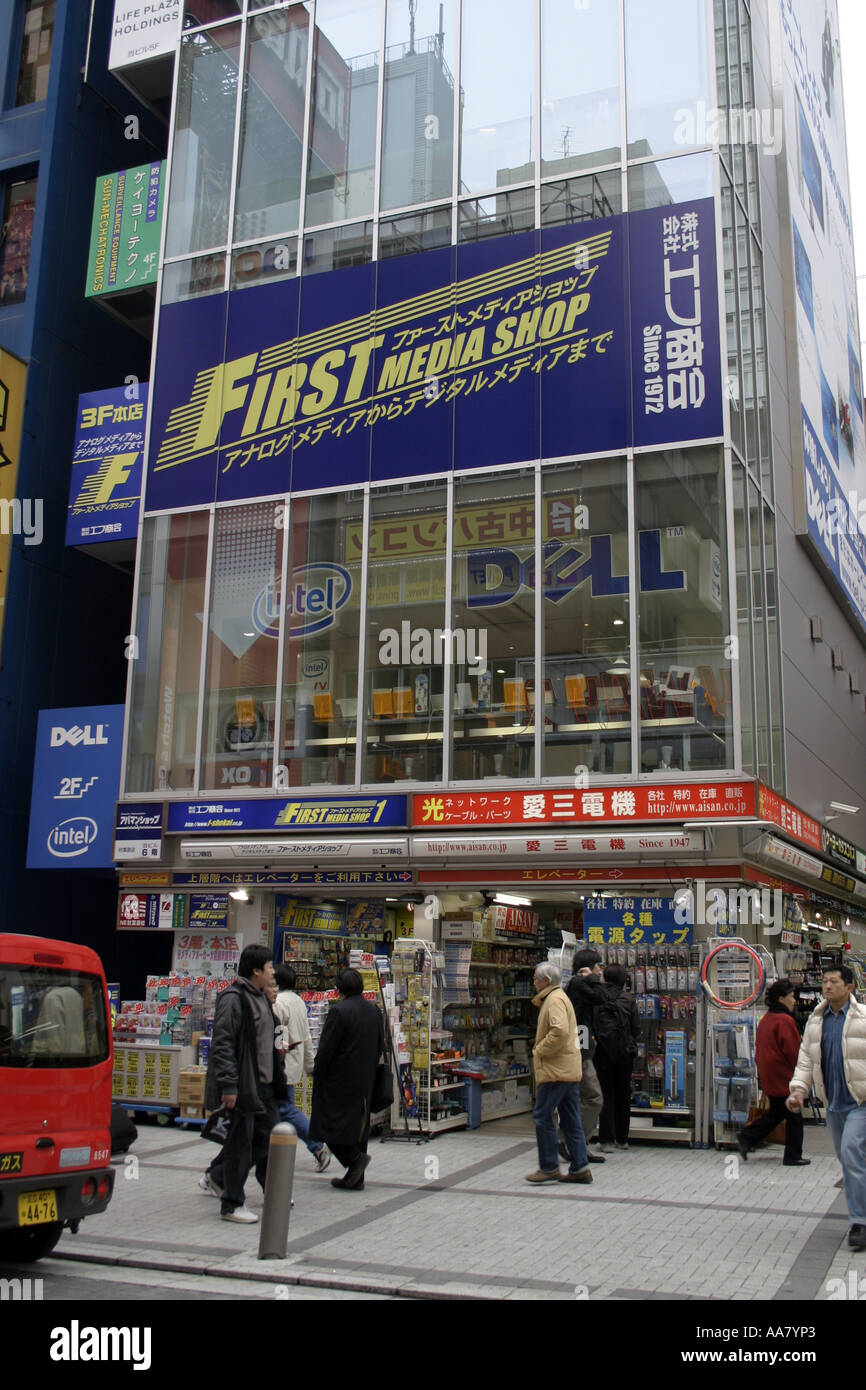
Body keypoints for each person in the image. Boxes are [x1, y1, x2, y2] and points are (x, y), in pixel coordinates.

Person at [200, 945, 287, 1224]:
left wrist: (278, 1050)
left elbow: (267, 1034)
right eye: (270, 966)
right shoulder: (233, 998)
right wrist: (229, 1086)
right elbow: (223, 1044)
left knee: (271, 1140)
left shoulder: (262, 998)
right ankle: (232, 1203)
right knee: (240, 1145)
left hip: (265, 1085)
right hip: (243, 1085)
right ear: (256, 970)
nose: (273, 972)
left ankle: (219, 1177)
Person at [788, 965, 866, 1250]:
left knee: (851, 1152)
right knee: (851, 1161)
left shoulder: (863, 1018)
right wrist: (798, 1090)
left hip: (861, 1103)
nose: (827, 986)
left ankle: (859, 1223)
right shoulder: (816, 1021)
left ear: (850, 986)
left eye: (834, 981)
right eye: (825, 981)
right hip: (833, 1103)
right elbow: (806, 1060)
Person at [309, 968, 383, 1191]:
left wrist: (317, 1073)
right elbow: (381, 1045)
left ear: (340, 988)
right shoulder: (374, 1011)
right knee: (358, 1127)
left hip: (338, 1081)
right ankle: (355, 1178)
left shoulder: (339, 1012)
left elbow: (327, 1049)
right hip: (365, 1080)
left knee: (327, 1125)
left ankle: (355, 1160)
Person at [526, 961, 592, 1185]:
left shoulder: (553, 1000)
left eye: (536, 978)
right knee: (571, 1120)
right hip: (568, 1068)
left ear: (546, 981)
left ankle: (549, 1167)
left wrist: (539, 1050)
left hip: (556, 1070)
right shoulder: (560, 997)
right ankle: (580, 1166)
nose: (534, 982)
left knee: (542, 1116)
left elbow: (559, 1031)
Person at [738, 978, 808, 1166]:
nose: (794, 1001)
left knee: (776, 1114)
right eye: (791, 997)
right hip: (783, 1077)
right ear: (781, 998)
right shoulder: (784, 1020)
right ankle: (793, 1155)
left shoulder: (767, 1019)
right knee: (793, 1115)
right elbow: (793, 1050)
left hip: (770, 1075)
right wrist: (803, 1073)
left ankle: (747, 1137)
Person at [272, 964, 330, 1173]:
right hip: (293, 1064)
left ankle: (318, 1146)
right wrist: (309, 1065)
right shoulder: (298, 1001)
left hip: (281, 1066)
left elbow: (277, 1039)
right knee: (278, 1111)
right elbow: (306, 1036)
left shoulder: (278, 1003)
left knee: (285, 1109)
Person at [564, 948, 608, 1163]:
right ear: (588, 968)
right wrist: (592, 979)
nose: (601, 971)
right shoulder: (580, 984)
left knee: (579, 1097)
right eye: (598, 966)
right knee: (593, 1097)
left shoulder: (576, 984)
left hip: (580, 1042)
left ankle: (574, 1143)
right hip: (579, 1046)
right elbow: (603, 998)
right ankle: (573, 1143)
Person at [595, 963, 640, 1152]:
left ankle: (606, 1140)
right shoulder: (629, 999)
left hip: (602, 1052)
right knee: (623, 1095)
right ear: (624, 980)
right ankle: (623, 1139)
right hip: (624, 1052)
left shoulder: (597, 998)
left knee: (606, 1095)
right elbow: (636, 1029)